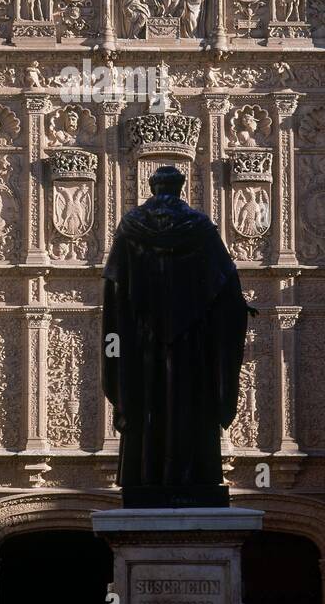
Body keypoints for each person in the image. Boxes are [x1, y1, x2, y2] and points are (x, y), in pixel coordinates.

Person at [102, 165, 254, 501]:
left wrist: (118, 325)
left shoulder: (130, 227)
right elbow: (226, 282)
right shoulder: (200, 228)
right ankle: (193, 475)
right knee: (190, 403)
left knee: (146, 401)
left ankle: (145, 478)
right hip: (191, 340)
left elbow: (115, 285)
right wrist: (238, 311)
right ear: (181, 188)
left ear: (153, 188)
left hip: (142, 341)